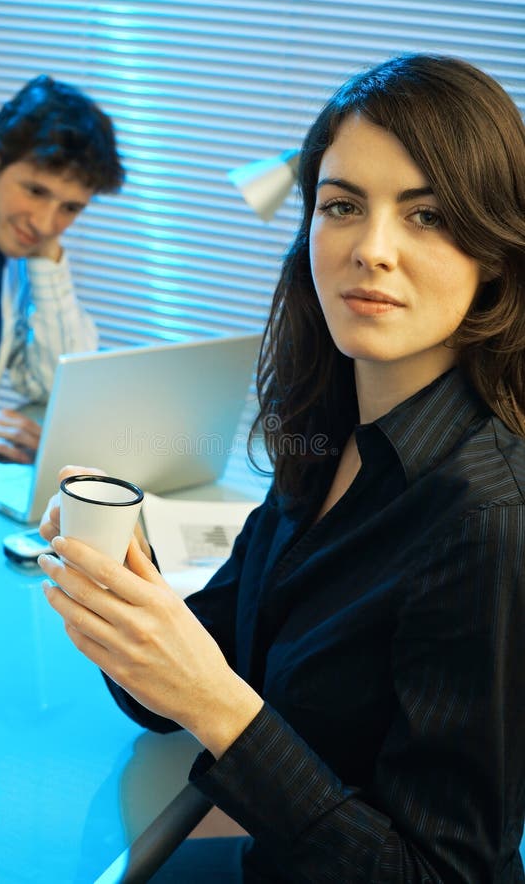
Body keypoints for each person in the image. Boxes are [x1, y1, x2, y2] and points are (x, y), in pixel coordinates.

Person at [38, 54, 525, 882]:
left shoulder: (488, 522)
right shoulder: (326, 434)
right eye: (342, 206)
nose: (371, 250)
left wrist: (215, 706)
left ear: (494, 253)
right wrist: (126, 597)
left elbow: (442, 875)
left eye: (427, 215)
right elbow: (206, 656)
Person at [0, 75, 124, 461]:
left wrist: (48, 261)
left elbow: (58, 389)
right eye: (36, 191)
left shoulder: (24, 243)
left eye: (70, 208)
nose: (46, 222)